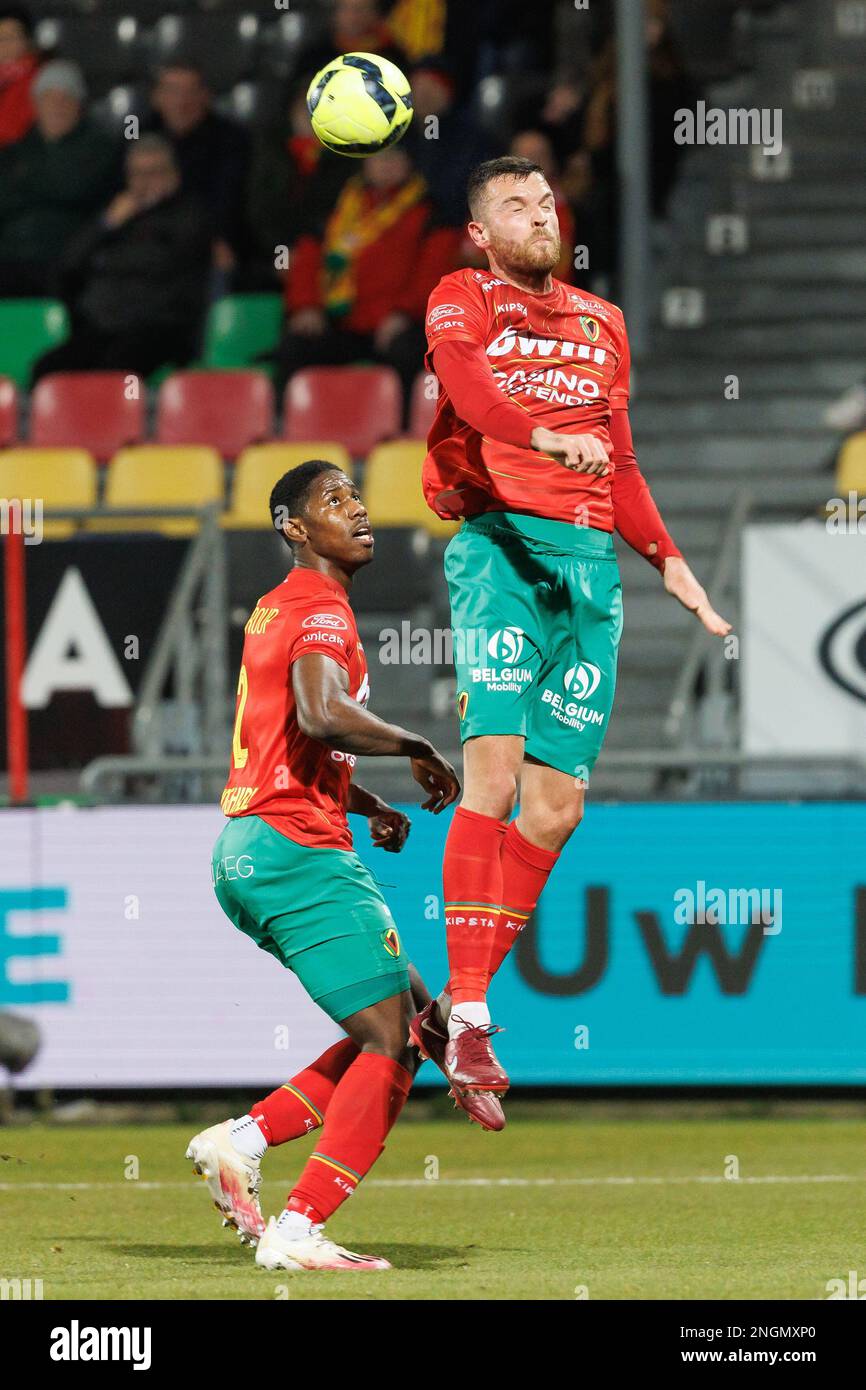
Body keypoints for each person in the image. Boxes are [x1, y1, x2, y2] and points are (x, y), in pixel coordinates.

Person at [411, 156, 732, 1107]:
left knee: (555, 810)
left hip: (591, 570)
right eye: (515, 204)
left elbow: (621, 460)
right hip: (503, 553)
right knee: (496, 776)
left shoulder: (605, 321)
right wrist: (542, 438)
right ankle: (468, 1013)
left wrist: (667, 558)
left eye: (546, 200)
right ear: (481, 232)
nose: (539, 214)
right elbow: (468, 391)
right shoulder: (460, 295)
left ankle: (448, 1015)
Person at [187, 461, 499, 1275]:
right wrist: (417, 745)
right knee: (393, 1042)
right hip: (293, 848)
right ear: (293, 527)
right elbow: (325, 713)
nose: (357, 512)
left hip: (261, 847)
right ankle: (298, 1229)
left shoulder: (282, 607)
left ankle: (243, 1140)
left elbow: (293, 739)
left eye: (358, 499)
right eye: (334, 502)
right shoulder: (318, 606)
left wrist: (370, 804)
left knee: (398, 1026)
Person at [277, 144, 459, 420]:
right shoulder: (340, 204)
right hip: (342, 320)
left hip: (398, 323)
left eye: (395, 157)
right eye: (378, 158)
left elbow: (435, 275)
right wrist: (306, 306)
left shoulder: (432, 211)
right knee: (296, 344)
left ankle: (403, 432)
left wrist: (403, 313)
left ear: (410, 163)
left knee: (410, 351)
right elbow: (308, 257)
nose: (385, 164)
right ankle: (290, 427)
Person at [31, 135, 209, 381]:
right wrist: (107, 224)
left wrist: (105, 260)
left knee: (114, 370)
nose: (146, 181)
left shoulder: (189, 213)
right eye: (138, 173)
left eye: (155, 172)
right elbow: (70, 261)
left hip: (160, 326)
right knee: (48, 370)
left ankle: (110, 421)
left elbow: (161, 263)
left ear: (174, 174)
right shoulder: (118, 215)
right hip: (104, 325)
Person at [0, 60, 117, 297]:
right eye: (49, 97)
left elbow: (73, 188)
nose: (58, 105)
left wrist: (26, 180)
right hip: (10, 257)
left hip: (69, 259)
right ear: (36, 104)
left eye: (67, 98)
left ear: (79, 105)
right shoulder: (14, 151)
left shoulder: (100, 147)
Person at [145, 61, 250, 274]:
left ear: (206, 96)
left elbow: (230, 202)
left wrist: (217, 239)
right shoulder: (138, 136)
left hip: (206, 243)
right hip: (149, 240)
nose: (182, 101)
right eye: (173, 91)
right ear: (157, 97)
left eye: (191, 91)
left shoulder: (230, 140)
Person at [0, 4, 39, 148]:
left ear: (27, 41)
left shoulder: (39, 80)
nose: (5, 46)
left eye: (12, 37)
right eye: (1, 38)